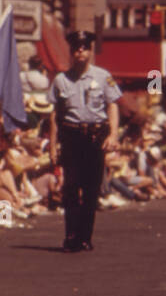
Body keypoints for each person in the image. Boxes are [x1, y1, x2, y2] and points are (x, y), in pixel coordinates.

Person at [49, 30, 121, 252]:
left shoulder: (103, 76)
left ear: (90, 51)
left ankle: (85, 236)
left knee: (91, 189)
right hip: (71, 137)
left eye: (84, 48)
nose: (80, 51)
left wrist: (113, 135)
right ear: (71, 52)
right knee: (71, 187)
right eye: (76, 48)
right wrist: (53, 145)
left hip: (94, 137)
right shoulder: (61, 80)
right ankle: (71, 235)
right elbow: (55, 114)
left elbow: (113, 105)